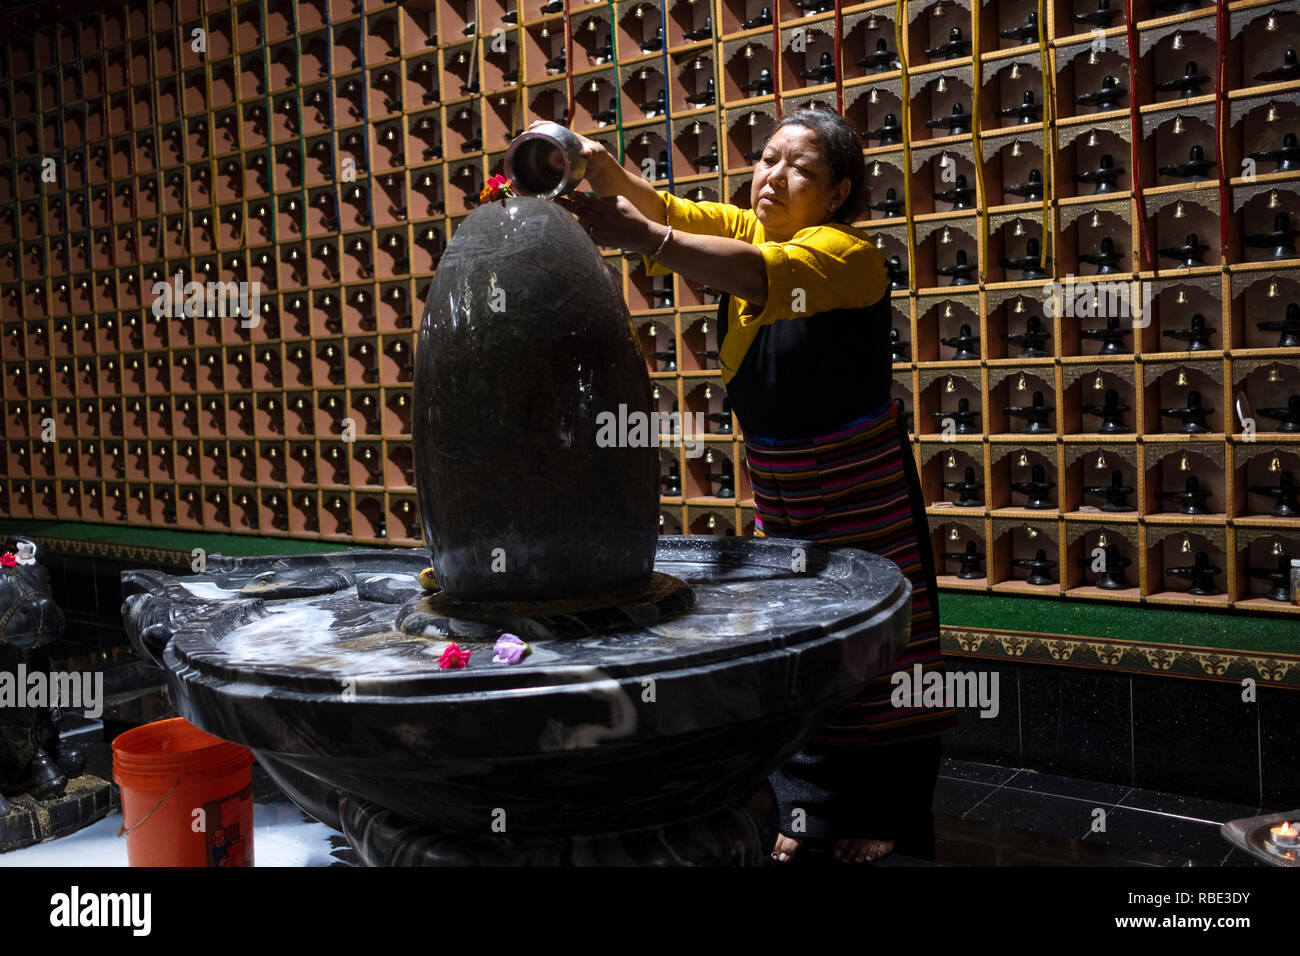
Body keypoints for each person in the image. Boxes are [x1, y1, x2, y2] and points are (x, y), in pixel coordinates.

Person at [551, 108, 956, 864]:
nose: (773, 175)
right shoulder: (750, 231)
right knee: (803, 640)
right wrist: (603, 171)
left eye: (800, 168)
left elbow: (745, 269)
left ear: (837, 195)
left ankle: (887, 813)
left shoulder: (846, 254)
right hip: (784, 485)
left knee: (887, 646)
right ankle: (807, 810)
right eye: (768, 159)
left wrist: (641, 238)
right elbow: (673, 211)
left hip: (859, 480)